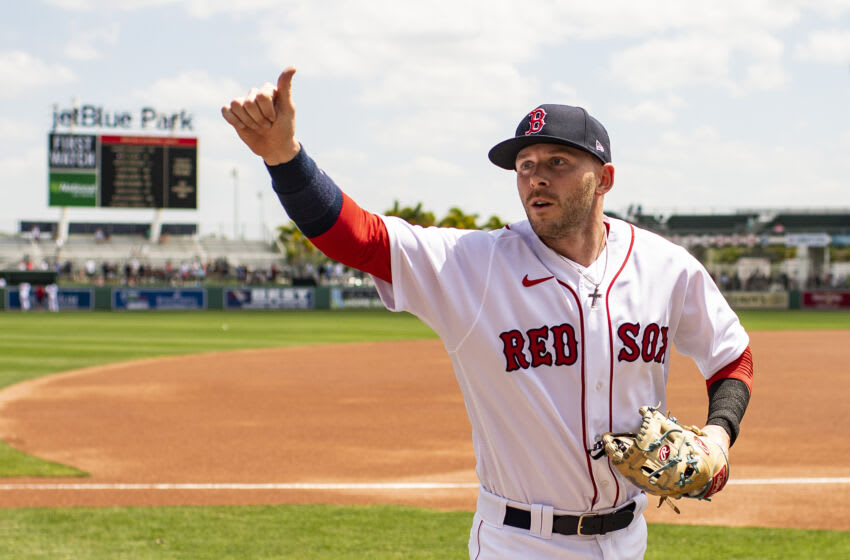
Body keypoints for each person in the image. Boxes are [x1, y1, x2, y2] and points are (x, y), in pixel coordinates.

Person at [222, 68, 754, 559]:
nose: (535, 178)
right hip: (518, 542)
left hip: (627, 540)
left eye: (557, 163)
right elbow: (357, 238)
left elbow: (731, 358)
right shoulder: (474, 266)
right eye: (525, 167)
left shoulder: (666, 268)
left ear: (605, 178)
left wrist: (717, 439)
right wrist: (284, 158)